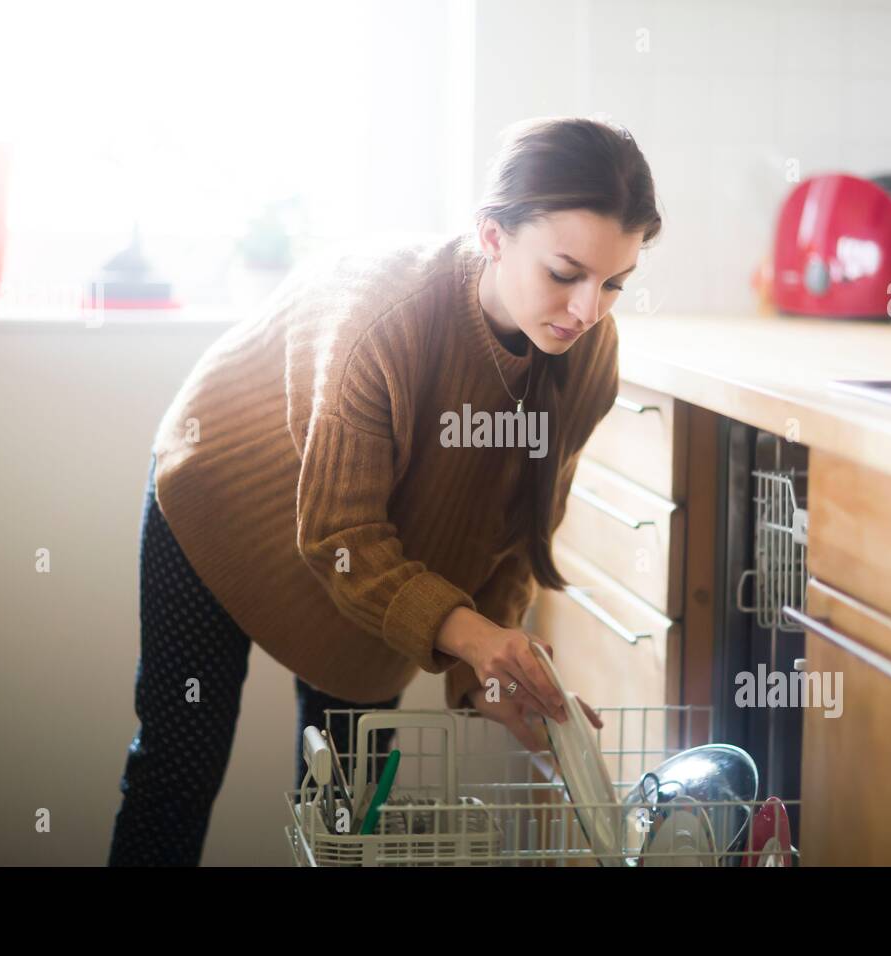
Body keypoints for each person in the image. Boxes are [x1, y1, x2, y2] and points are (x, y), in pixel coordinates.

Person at [107, 115, 663, 865]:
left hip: (376, 554)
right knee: (180, 766)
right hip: (226, 500)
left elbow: (516, 535)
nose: (587, 311)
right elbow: (339, 538)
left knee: (348, 807)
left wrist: (482, 675)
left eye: (615, 284)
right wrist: (472, 637)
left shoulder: (587, 350)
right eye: (565, 274)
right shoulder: (385, 318)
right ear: (493, 236)